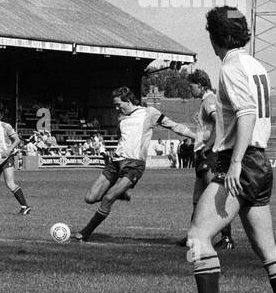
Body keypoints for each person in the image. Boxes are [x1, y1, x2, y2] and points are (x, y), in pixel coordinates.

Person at [185, 7, 276, 293]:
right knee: (267, 247)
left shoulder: (232, 66)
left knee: (197, 236)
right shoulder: (254, 65)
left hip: (243, 162)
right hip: (260, 163)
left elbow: (247, 112)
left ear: (217, 36)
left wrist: (233, 162)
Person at [74, 87, 196, 241]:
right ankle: (121, 193)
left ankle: (85, 233)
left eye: (118, 104)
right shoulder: (121, 118)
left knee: (108, 198)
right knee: (90, 198)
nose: (116, 108)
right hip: (116, 162)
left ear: (129, 100)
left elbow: (174, 126)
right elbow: (122, 138)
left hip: (134, 165)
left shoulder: (149, 113)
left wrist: (196, 137)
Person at [182, 69, 234, 250]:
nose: (190, 89)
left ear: (201, 85)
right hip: (202, 155)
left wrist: (209, 146)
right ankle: (191, 236)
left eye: (192, 86)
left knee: (214, 197)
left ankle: (227, 238)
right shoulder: (205, 102)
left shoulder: (210, 101)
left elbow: (219, 122)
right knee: (197, 199)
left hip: (209, 156)